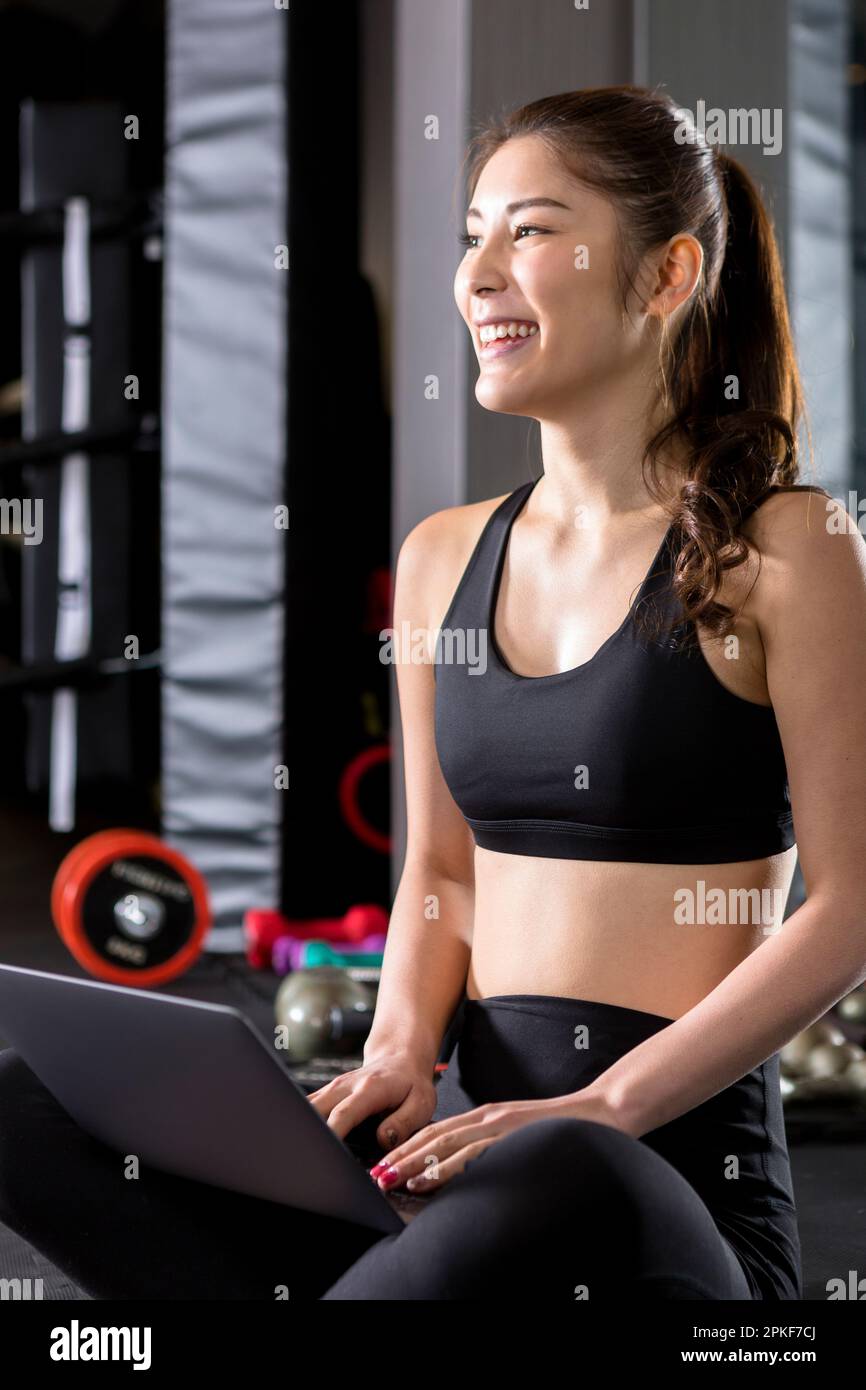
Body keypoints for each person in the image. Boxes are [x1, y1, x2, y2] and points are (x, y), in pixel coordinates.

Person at [2, 85, 865, 1301]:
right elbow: (441, 875)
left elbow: (849, 902)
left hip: (649, 1190)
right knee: (34, 1108)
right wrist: (400, 1050)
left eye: (528, 229)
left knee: (559, 1165)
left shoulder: (786, 548)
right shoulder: (438, 557)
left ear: (666, 275)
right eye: (472, 233)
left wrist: (600, 1104)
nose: (477, 272)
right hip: (451, 1162)